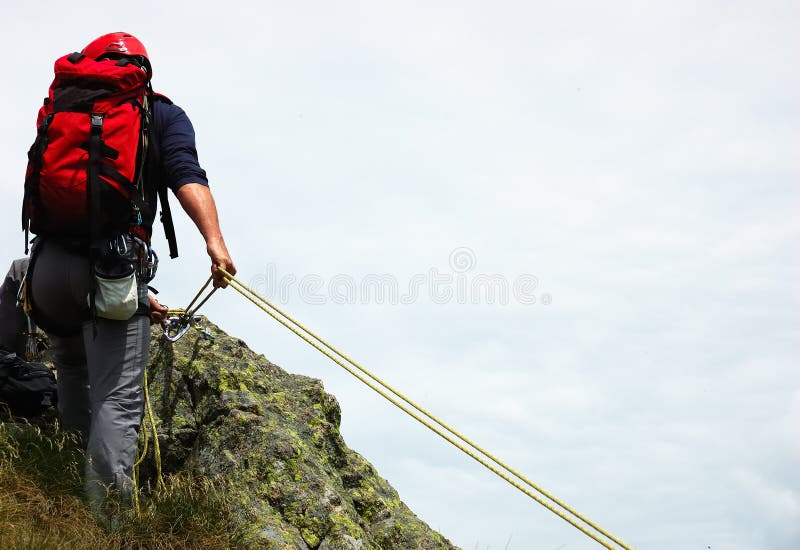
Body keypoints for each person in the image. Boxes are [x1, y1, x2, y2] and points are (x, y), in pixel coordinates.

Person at [24, 32, 236, 511]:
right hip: (113, 271)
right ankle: (106, 520)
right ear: (144, 69)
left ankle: (61, 492)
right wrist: (215, 242)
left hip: (48, 269)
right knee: (117, 400)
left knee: (72, 371)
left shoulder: (64, 104)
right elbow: (186, 174)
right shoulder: (160, 113)